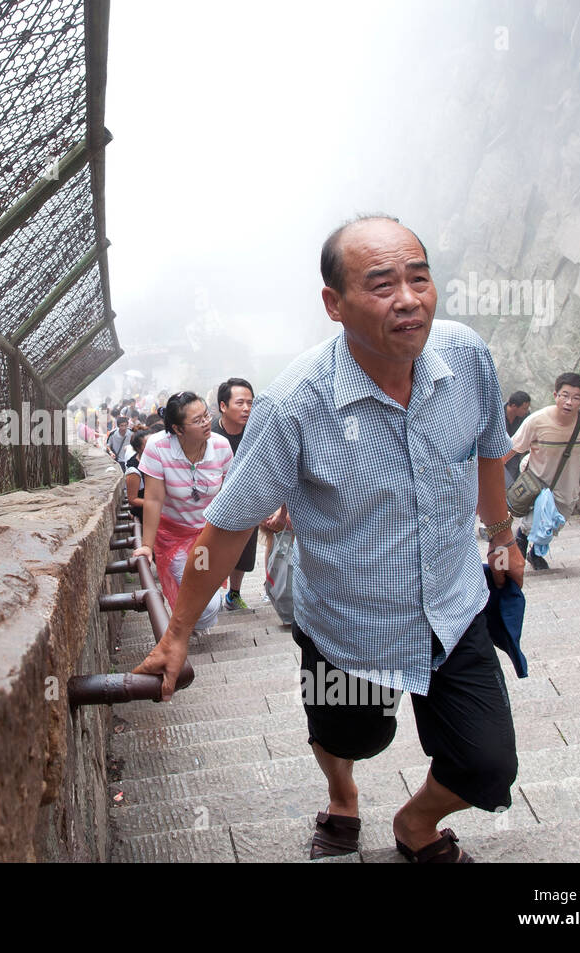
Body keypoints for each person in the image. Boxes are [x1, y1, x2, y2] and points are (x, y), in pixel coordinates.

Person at [133, 216, 524, 863]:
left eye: (418, 278)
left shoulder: (466, 355)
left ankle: (415, 823)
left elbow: (488, 449)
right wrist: (175, 632)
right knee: (347, 735)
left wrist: (502, 532)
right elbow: (227, 525)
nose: (407, 298)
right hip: (348, 624)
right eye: (381, 284)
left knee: (487, 763)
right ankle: (342, 796)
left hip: (455, 606)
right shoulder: (294, 405)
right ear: (333, 304)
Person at [131, 393, 233, 637]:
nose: (207, 422)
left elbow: (229, 493)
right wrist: (147, 545)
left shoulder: (220, 446)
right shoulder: (158, 447)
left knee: (207, 601)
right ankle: (181, 633)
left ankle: (185, 625)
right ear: (177, 428)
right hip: (173, 537)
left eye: (207, 416)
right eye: (197, 420)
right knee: (187, 584)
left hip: (205, 537)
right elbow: (154, 500)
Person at [502, 374, 580, 570]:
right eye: (564, 395)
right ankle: (523, 541)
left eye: (576, 397)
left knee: (555, 523)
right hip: (536, 479)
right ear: (555, 395)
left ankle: (534, 550)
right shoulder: (536, 421)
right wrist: (486, 473)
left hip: (566, 485)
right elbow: (513, 449)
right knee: (535, 520)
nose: (569, 402)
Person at [210, 377, 272, 610]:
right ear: (223, 406)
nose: (246, 408)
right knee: (210, 553)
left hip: (247, 504)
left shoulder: (256, 432)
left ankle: (233, 594)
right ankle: (209, 595)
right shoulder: (211, 435)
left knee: (244, 554)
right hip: (213, 506)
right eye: (240, 403)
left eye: (250, 403)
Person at [503, 391, 531, 486]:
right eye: (524, 408)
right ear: (514, 406)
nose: (526, 411)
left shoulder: (526, 418)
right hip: (495, 452)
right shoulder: (497, 413)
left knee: (509, 483)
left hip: (514, 454)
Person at [124, 429, 151, 521]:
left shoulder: (156, 461)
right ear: (138, 448)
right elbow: (132, 499)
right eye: (148, 445)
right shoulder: (134, 471)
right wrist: (154, 504)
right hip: (146, 516)